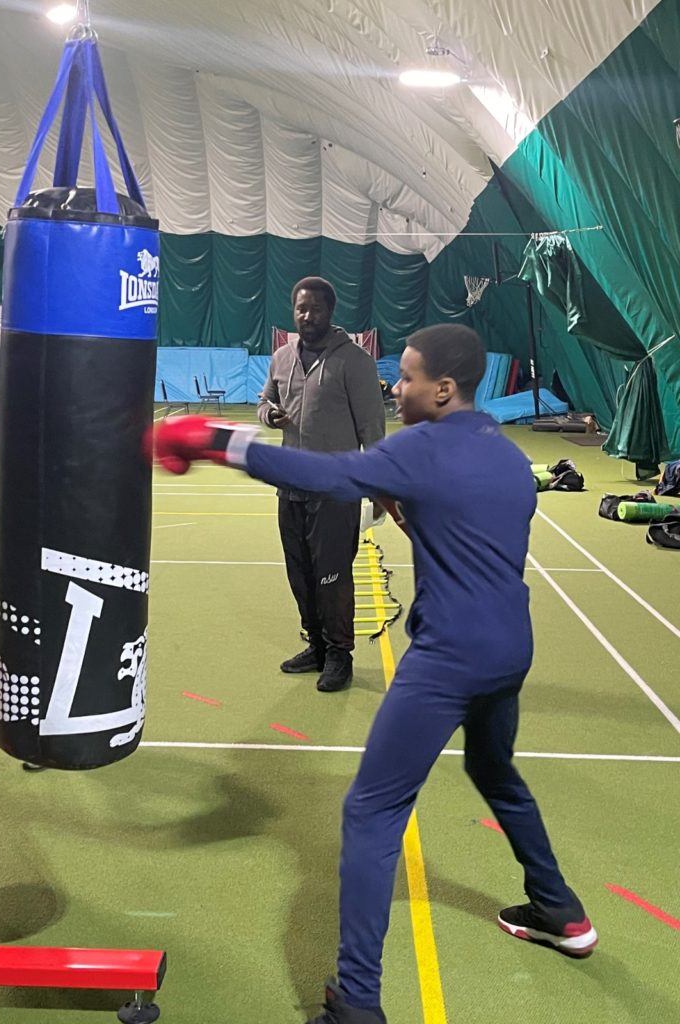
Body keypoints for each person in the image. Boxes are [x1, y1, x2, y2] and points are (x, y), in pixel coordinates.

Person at [150, 323, 598, 1024]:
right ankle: (560, 911)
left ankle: (357, 1002)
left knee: (370, 811)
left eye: (410, 376)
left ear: (443, 391)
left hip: (450, 657)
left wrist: (220, 442)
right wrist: (410, 507)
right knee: (496, 771)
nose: (397, 384)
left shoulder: (421, 447)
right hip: (511, 648)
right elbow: (469, 538)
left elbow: (327, 474)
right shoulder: (508, 459)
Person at [257, 277, 385, 692]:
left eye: (314, 308)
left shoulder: (355, 361)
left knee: (332, 577)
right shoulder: (280, 358)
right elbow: (264, 401)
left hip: (335, 490)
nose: (306, 316)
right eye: (300, 308)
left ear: (330, 311)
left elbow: (372, 429)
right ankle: (315, 645)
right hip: (289, 487)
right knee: (301, 575)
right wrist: (268, 415)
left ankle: (339, 655)